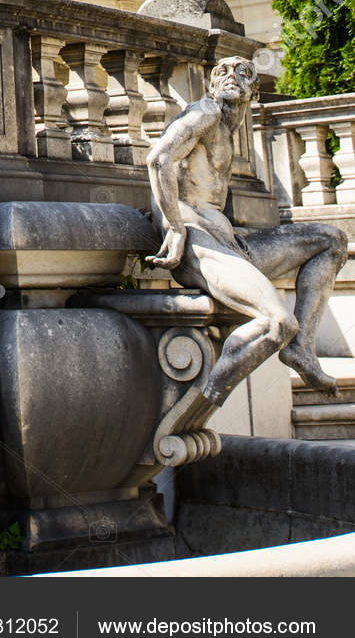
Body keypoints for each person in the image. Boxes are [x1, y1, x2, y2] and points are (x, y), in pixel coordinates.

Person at [147, 55, 348, 405]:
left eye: (242, 74)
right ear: (211, 84)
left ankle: (301, 350)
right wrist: (175, 227)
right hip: (199, 244)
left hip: (230, 243)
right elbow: (158, 158)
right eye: (222, 72)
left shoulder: (229, 127)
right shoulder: (205, 113)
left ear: (254, 91)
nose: (230, 78)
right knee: (278, 322)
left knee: (332, 240)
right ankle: (201, 403)